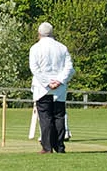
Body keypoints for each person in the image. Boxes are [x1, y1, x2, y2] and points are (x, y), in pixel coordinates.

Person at [29, 21, 74, 154]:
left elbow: (35, 69)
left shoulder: (35, 48)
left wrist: (48, 83)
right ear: (52, 33)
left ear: (39, 34)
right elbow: (69, 67)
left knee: (45, 117)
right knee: (59, 116)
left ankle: (47, 147)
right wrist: (59, 81)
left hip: (42, 88)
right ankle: (59, 147)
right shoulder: (62, 47)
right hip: (59, 88)